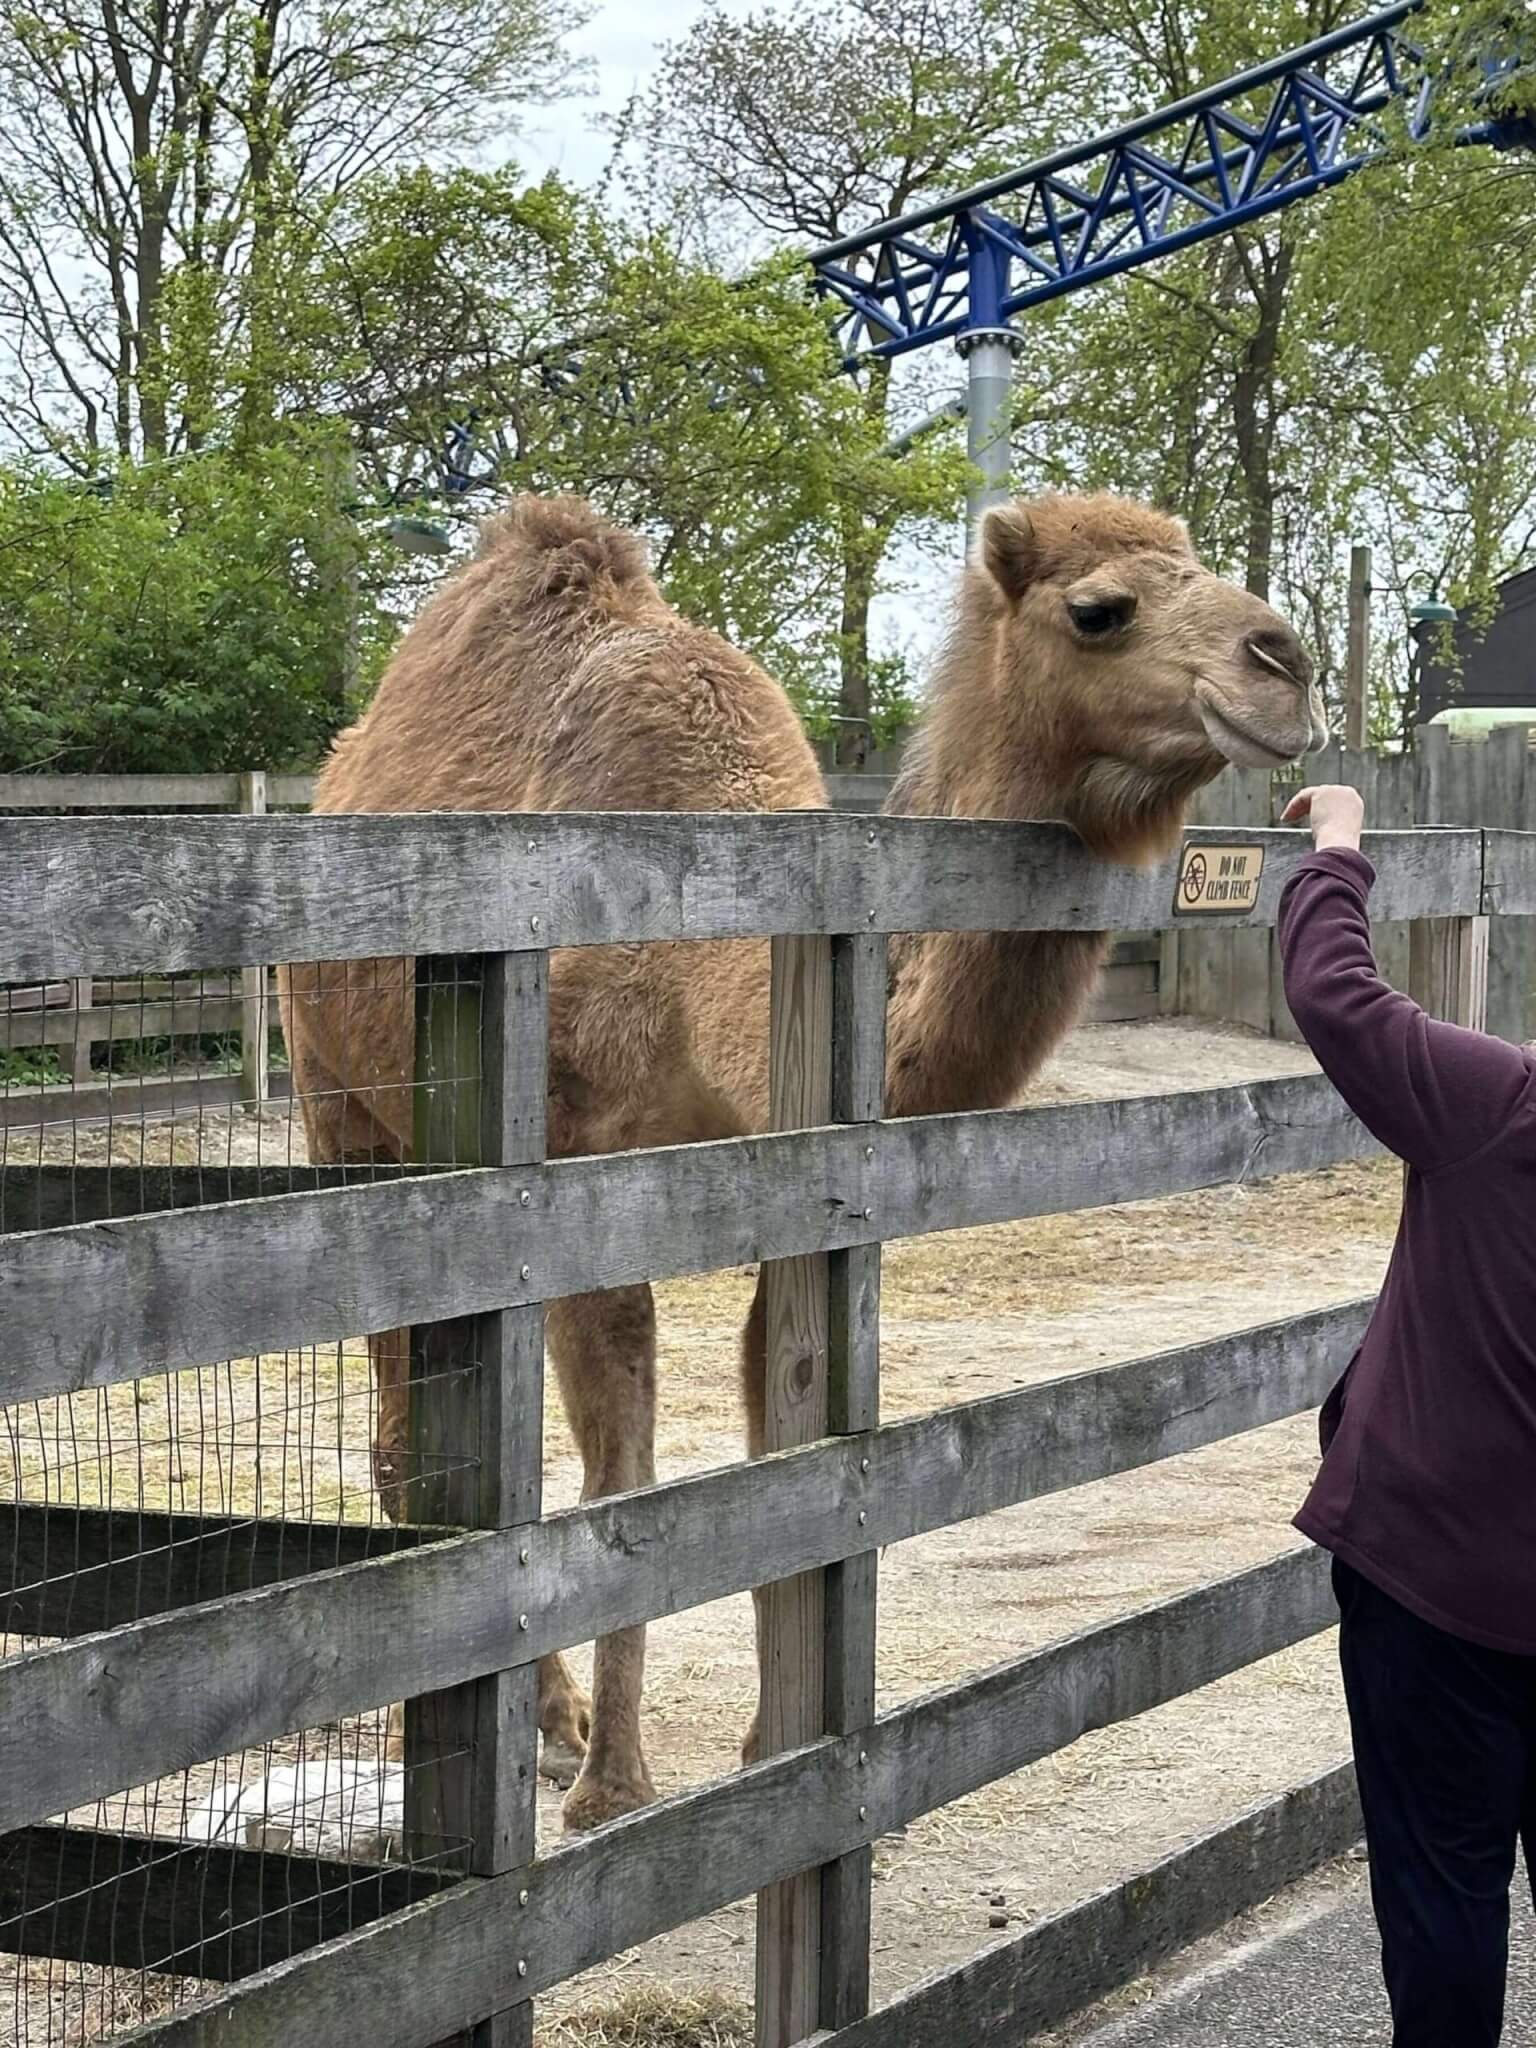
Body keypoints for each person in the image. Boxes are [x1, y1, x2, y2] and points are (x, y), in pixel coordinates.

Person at [1277, 784, 1536, 2047]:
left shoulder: (1501, 1107)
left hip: (1435, 1585)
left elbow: (1337, 995)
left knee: (1443, 1899)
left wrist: (1339, 848)